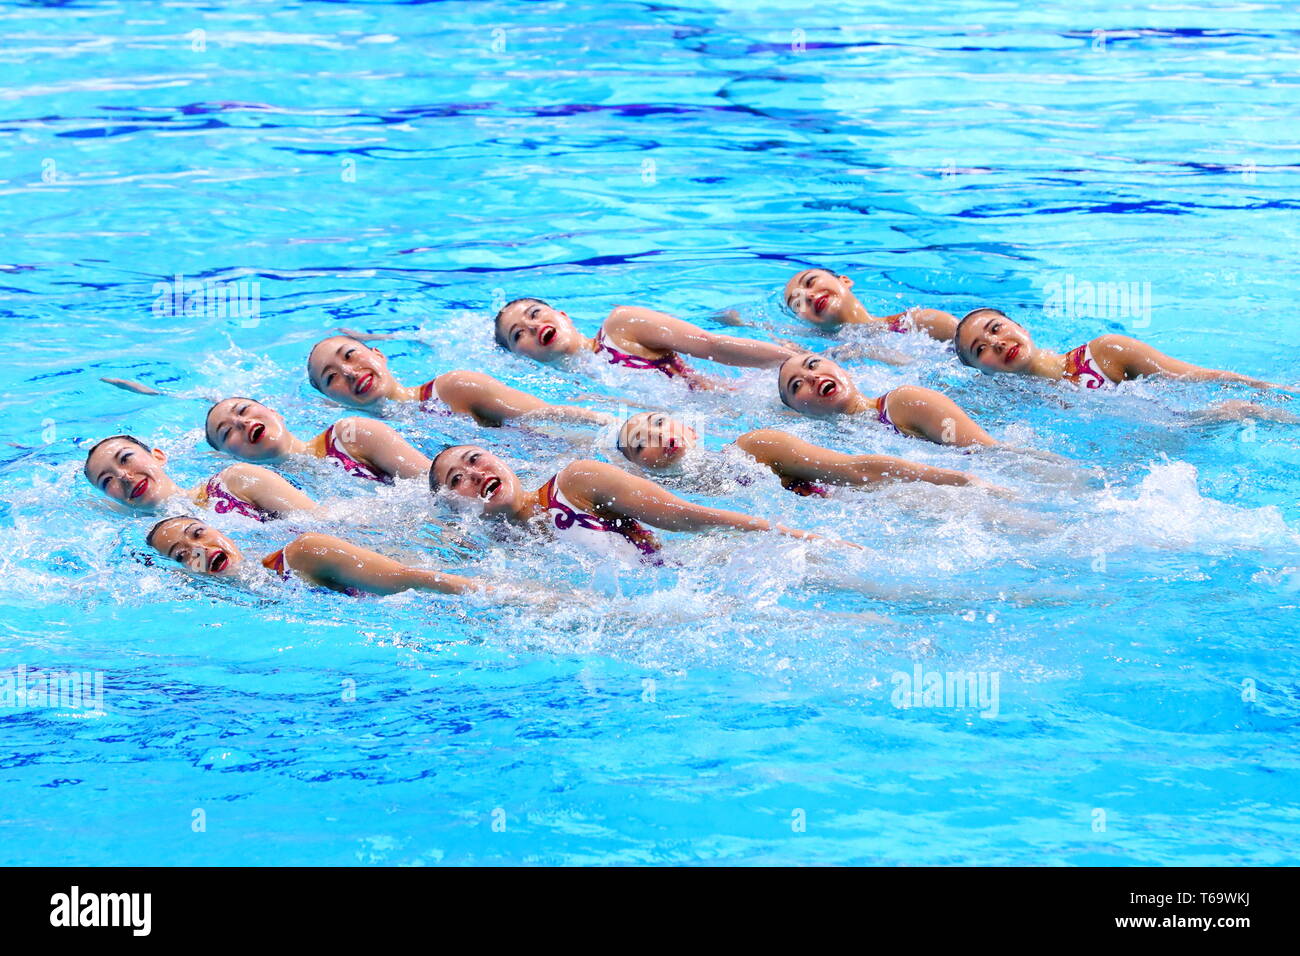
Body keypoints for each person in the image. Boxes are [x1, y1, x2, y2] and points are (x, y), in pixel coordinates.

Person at [428, 444, 838, 562]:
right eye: (457, 480)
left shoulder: (576, 481)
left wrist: (798, 536)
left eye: (475, 459)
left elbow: (687, 517)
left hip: (722, 567)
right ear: (453, 503)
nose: (475, 474)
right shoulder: (495, 550)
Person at [614, 412, 999, 494]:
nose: (656, 436)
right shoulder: (655, 498)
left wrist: (957, 479)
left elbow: (859, 468)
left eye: (659, 422)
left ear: (693, 429)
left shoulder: (755, 448)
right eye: (639, 443)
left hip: (899, 503)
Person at [954, 307, 1300, 394]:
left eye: (996, 329)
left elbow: (1199, 378)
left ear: (1021, 328)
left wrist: (1280, 392)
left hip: (1199, 426)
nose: (996, 343)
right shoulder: (1014, 404)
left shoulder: (1106, 353)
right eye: (980, 349)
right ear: (981, 372)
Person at [306, 334, 616, 426]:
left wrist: (614, 429)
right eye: (331, 377)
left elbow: (545, 414)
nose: (348, 372)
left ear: (378, 355)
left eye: (349, 355)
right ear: (332, 400)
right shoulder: (359, 439)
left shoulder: (452, 388)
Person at [494, 298, 803, 390]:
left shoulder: (621, 326)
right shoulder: (568, 395)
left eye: (535, 314)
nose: (532, 327)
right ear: (520, 358)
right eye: (518, 334)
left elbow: (714, 346)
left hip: (744, 400)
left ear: (563, 316)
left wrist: (797, 364)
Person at [145, 515, 482, 596]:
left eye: (199, 534)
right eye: (181, 555)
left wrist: (511, 599)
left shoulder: (303, 554)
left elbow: (412, 579)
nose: (201, 550)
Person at [777, 354, 998, 447]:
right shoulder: (832, 449)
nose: (811, 377)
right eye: (796, 385)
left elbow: (988, 452)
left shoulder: (905, 402)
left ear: (844, 371)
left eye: (813, 364)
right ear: (801, 412)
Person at [84, 434, 315, 520]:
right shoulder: (159, 545)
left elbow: (325, 522)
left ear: (159, 456)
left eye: (125, 458)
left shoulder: (235, 482)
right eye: (107, 481)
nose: (123, 476)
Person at [205, 397, 430, 482]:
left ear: (275, 413)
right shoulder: (259, 498)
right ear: (228, 457)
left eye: (244, 410)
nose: (241, 423)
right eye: (226, 432)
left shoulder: (349, 436)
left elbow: (435, 482)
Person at [783, 267, 958, 340]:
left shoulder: (919, 323)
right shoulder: (818, 365)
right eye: (797, 303)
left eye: (811, 282)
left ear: (845, 281)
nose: (808, 296)